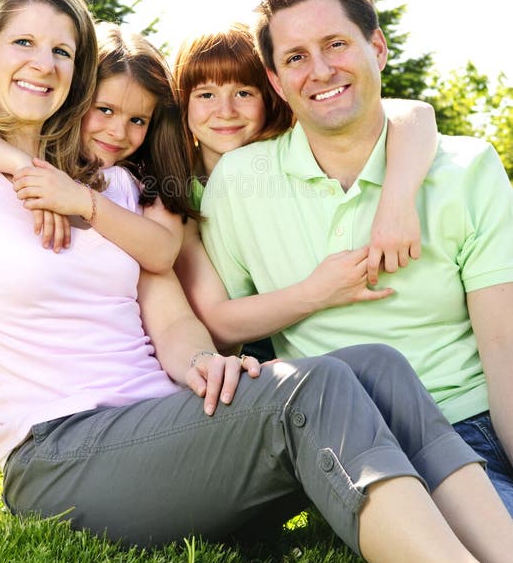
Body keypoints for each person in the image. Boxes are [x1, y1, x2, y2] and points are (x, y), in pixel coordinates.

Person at [0, 0, 513, 563]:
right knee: (313, 390)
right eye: (25, 42)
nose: (45, 63)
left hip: (167, 426)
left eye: (64, 51)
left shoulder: (115, 188)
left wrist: (205, 362)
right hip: (59, 452)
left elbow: (170, 315)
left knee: (375, 366)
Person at [200, 0, 513, 513]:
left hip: (469, 424)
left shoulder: (466, 169)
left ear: (378, 48)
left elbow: (504, 349)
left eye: (336, 44)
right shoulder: (238, 182)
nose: (320, 70)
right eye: (295, 57)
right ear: (276, 81)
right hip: (349, 444)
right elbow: (219, 327)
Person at [173, 23, 438, 360]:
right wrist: (319, 290)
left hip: (297, 339)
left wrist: (396, 200)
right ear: (183, 103)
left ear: (272, 93)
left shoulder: (299, 153)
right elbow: (214, 323)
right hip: (218, 348)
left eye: (244, 93)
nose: (226, 111)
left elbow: (414, 114)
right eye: (206, 94)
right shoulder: (179, 189)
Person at [0, 24, 193, 270]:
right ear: (76, 98)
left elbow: (163, 253)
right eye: (105, 110)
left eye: (137, 120)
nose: (118, 132)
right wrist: (21, 165)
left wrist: (80, 200)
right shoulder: (41, 151)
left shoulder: (138, 178)